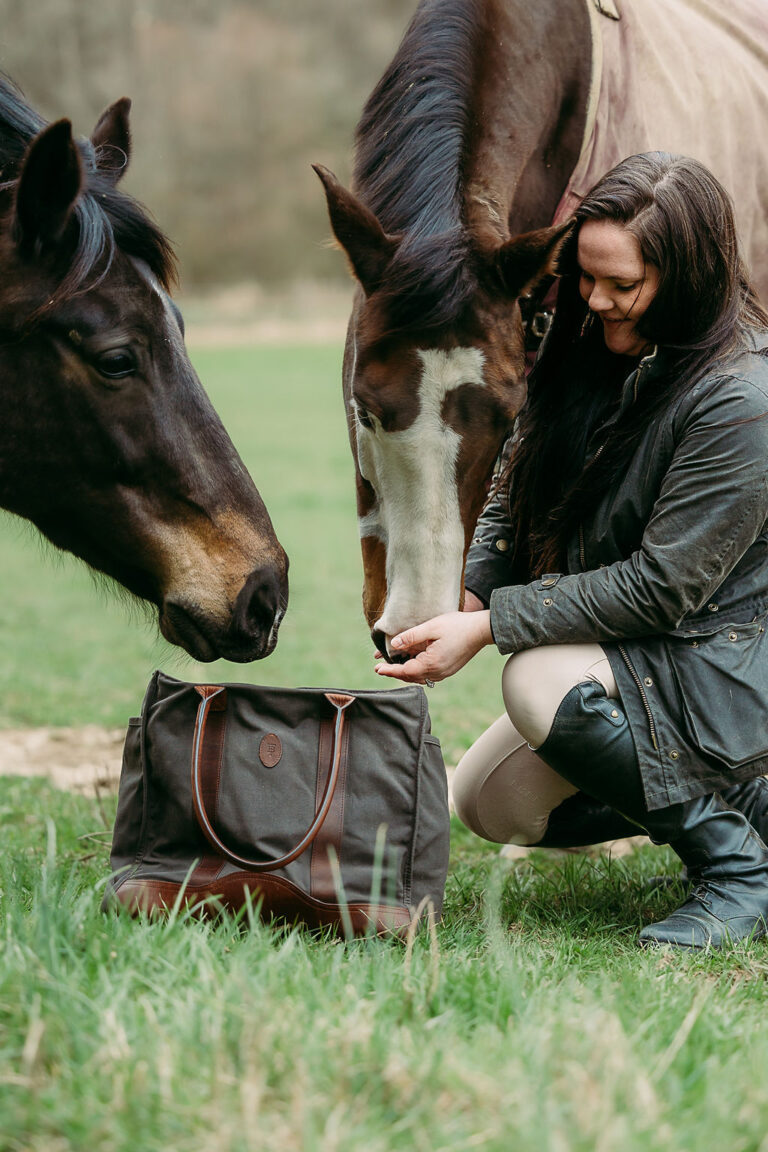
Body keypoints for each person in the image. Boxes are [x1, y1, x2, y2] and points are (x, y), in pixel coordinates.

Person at [374, 152, 768, 950]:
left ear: (691, 275)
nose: (598, 302)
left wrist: (490, 631)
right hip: (647, 655)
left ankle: (739, 872)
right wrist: (476, 592)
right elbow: (515, 491)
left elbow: (662, 589)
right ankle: (742, 806)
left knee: (539, 678)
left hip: (726, 657)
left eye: (625, 286)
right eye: (588, 279)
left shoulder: (742, 399)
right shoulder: (587, 345)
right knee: (491, 804)